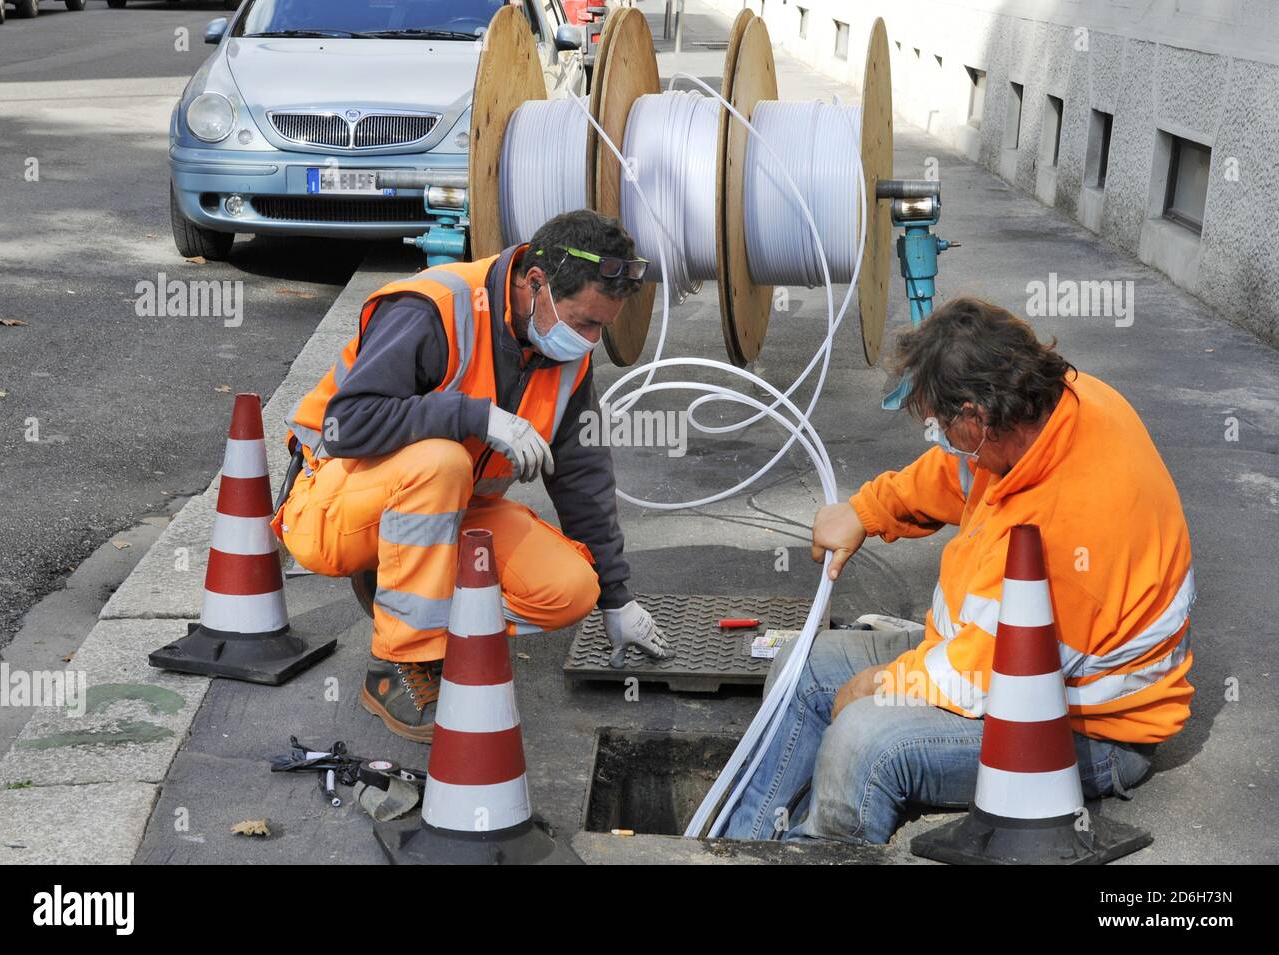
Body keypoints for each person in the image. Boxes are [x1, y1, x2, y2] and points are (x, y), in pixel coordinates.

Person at [723, 297, 1195, 843]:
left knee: (863, 739)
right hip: (994, 662)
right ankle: (742, 848)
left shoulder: (1076, 521)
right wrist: (866, 512)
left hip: (1087, 730)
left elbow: (992, 675)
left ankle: (823, 853)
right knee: (801, 665)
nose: (945, 441)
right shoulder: (1036, 415)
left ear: (975, 416)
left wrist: (884, 683)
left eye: (945, 425)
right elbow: (959, 474)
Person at [273, 210, 673, 742]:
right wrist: (473, 416)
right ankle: (398, 664)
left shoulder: (565, 350)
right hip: (332, 506)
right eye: (585, 323)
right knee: (441, 461)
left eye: (602, 325)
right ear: (536, 283)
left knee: (570, 590)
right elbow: (348, 425)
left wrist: (616, 597)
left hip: (449, 512)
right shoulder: (434, 307)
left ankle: (410, 587)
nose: (593, 340)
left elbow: (582, 475)